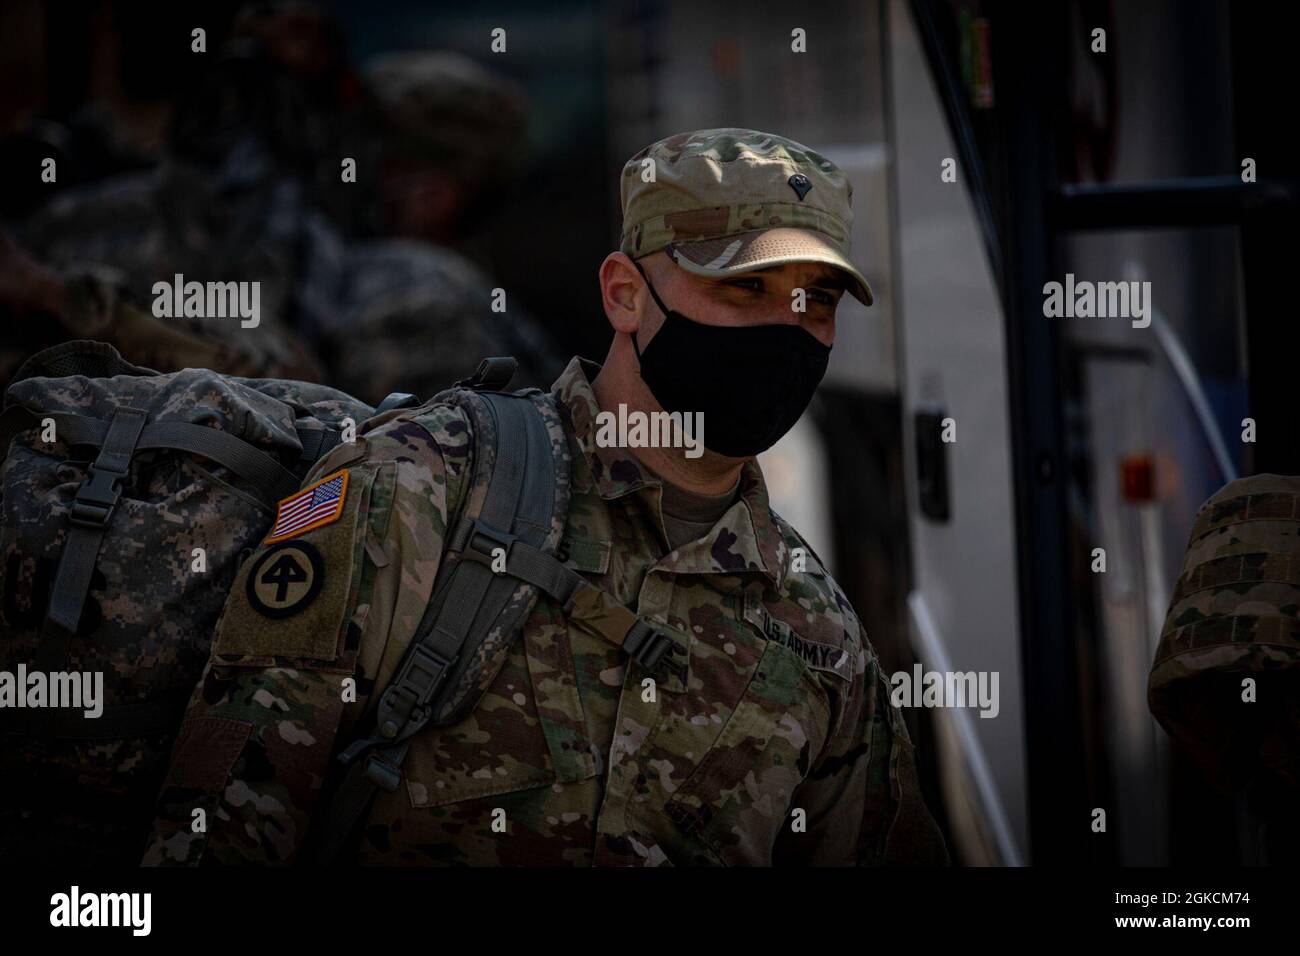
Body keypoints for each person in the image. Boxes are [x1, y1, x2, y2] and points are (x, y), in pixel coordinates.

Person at [144, 128, 949, 866]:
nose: (787, 327)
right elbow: (221, 830)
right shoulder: (422, 489)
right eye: (744, 290)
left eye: (818, 302)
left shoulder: (817, 631)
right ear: (625, 294)